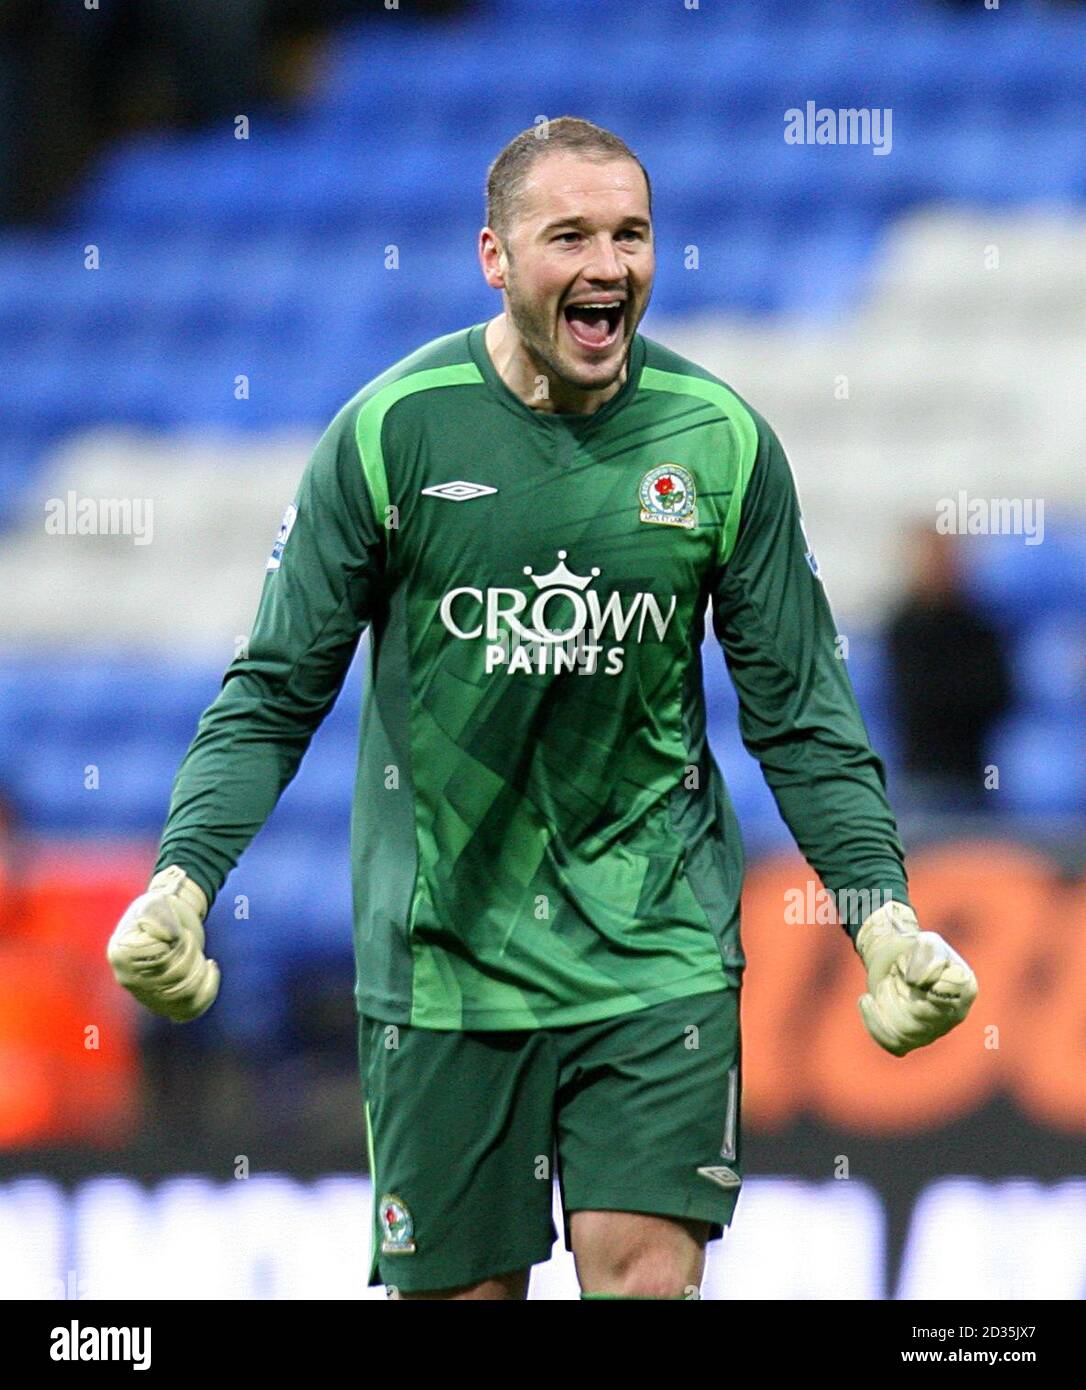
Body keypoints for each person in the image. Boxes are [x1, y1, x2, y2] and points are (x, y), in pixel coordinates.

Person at [106, 117, 978, 1300]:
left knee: (645, 1275)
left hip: (655, 947)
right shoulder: (387, 438)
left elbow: (802, 712)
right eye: (569, 235)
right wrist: (183, 876)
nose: (608, 266)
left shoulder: (718, 446)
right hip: (445, 962)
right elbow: (273, 692)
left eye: (631, 234)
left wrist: (878, 915)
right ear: (495, 258)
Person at [886, 526, 1012, 814]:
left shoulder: (979, 625)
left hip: (971, 773)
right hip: (921, 775)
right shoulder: (904, 627)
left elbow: (998, 693)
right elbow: (917, 696)